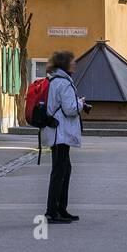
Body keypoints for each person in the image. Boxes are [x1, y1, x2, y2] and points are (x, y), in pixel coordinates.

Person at [44, 50, 89, 224]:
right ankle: (52, 212)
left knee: (64, 170)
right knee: (60, 172)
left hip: (56, 132)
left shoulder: (54, 81)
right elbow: (70, 109)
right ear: (64, 65)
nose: (74, 64)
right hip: (60, 133)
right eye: (72, 62)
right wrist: (81, 103)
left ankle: (60, 209)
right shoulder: (63, 83)